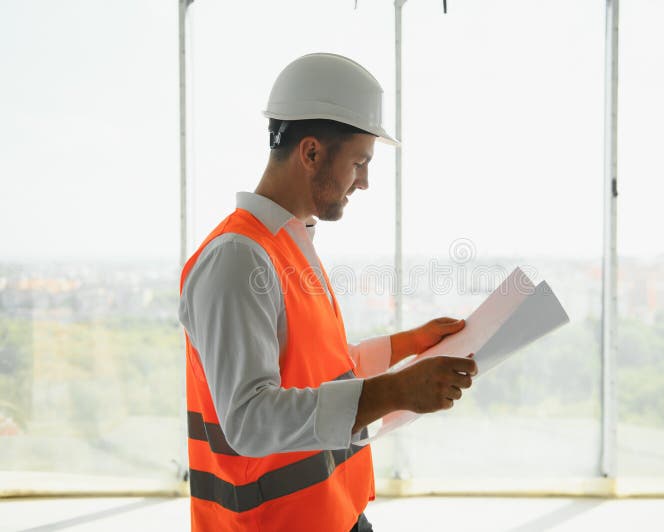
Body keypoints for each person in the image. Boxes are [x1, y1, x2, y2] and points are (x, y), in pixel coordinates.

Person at [178, 53, 478, 532]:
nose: (365, 182)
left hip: (334, 513)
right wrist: (397, 390)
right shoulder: (237, 258)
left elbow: (321, 368)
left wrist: (408, 345)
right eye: (359, 162)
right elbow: (249, 419)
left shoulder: (287, 244)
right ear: (312, 153)